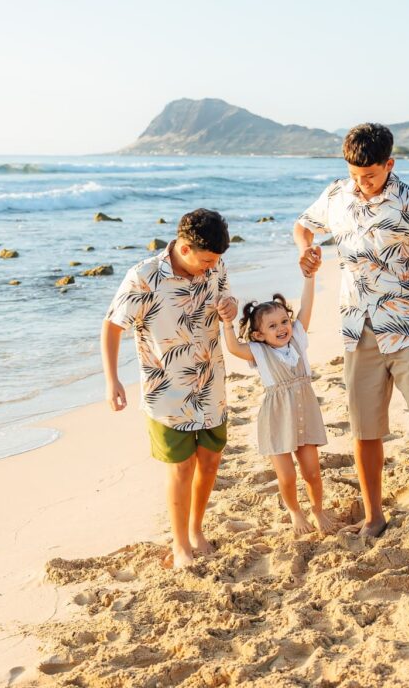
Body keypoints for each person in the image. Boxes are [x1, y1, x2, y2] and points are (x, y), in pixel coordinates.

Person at [293, 123, 409, 546]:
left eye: (369, 175)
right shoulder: (336, 194)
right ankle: (374, 516)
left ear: (389, 164)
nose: (361, 182)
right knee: (364, 429)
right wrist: (307, 250)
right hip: (357, 327)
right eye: (355, 174)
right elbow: (302, 225)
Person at [101, 208, 237, 569]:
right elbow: (112, 326)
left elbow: (228, 299)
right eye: (206, 260)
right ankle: (180, 546)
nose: (211, 268)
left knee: (209, 462)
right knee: (181, 468)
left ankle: (195, 530)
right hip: (166, 393)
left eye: (216, 261)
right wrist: (112, 379)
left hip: (211, 383)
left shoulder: (214, 266)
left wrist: (230, 307)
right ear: (185, 248)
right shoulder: (143, 277)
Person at [222, 271, 338, 536]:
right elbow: (232, 348)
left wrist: (309, 278)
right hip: (277, 419)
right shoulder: (259, 352)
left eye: (284, 321)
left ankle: (318, 510)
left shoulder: (298, 339)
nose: (281, 328)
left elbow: (307, 308)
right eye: (272, 326)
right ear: (259, 335)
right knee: (287, 476)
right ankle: (295, 511)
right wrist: (226, 323)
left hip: (305, 414)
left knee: (312, 473)